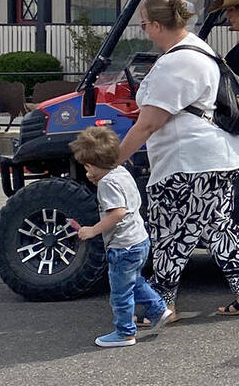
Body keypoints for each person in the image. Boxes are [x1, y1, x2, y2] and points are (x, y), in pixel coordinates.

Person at [116, 0, 239, 318]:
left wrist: (112, 161)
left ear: (157, 25)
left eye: (144, 25)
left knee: (169, 231)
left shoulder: (176, 63)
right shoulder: (199, 48)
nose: (144, 31)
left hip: (188, 161)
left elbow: (148, 124)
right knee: (218, 227)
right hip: (217, 156)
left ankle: (160, 305)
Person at [70, 125, 174, 348]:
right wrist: (99, 177)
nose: (88, 173)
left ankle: (124, 332)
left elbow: (117, 213)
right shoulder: (120, 171)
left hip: (123, 245)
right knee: (134, 281)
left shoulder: (107, 184)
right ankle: (158, 309)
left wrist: (92, 230)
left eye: (88, 167)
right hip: (139, 240)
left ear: (94, 164)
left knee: (120, 292)